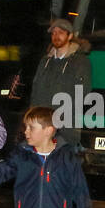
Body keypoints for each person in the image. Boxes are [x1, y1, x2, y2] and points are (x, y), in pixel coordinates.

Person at [28, 19, 91, 148]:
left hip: (65, 130)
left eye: (61, 32)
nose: (56, 36)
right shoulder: (45, 61)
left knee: (61, 165)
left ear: (70, 36)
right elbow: (35, 91)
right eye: (53, 33)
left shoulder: (80, 62)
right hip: (42, 127)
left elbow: (82, 94)